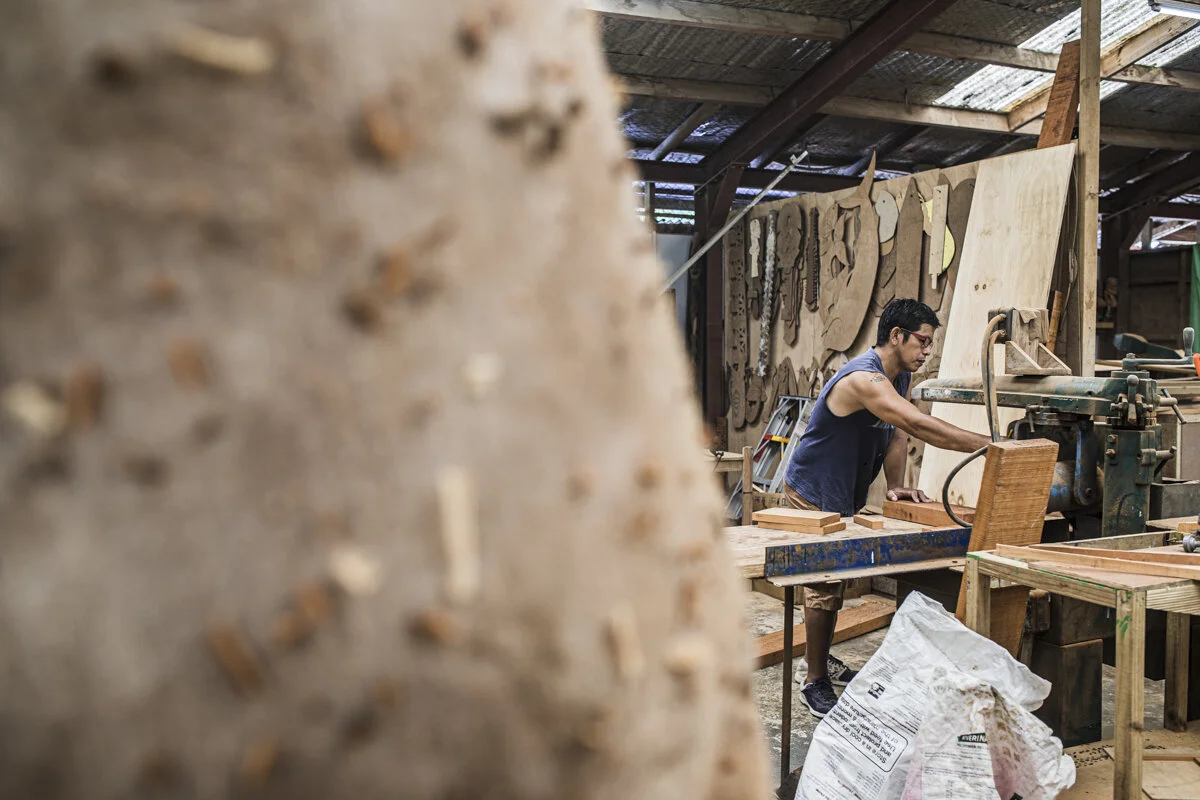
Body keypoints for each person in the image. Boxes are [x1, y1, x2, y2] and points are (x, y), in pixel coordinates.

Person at [783, 298, 991, 718]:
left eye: (931, 343)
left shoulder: (898, 377)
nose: (927, 351)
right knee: (823, 585)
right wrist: (989, 446)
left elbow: (897, 434)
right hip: (813, 489)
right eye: (922, 341)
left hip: (844, 491)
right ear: (896, 336)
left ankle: (816, 657)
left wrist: (895, 486)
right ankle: (814, 682)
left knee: (836, 580)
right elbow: (916, 423)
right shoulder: (863, 378)